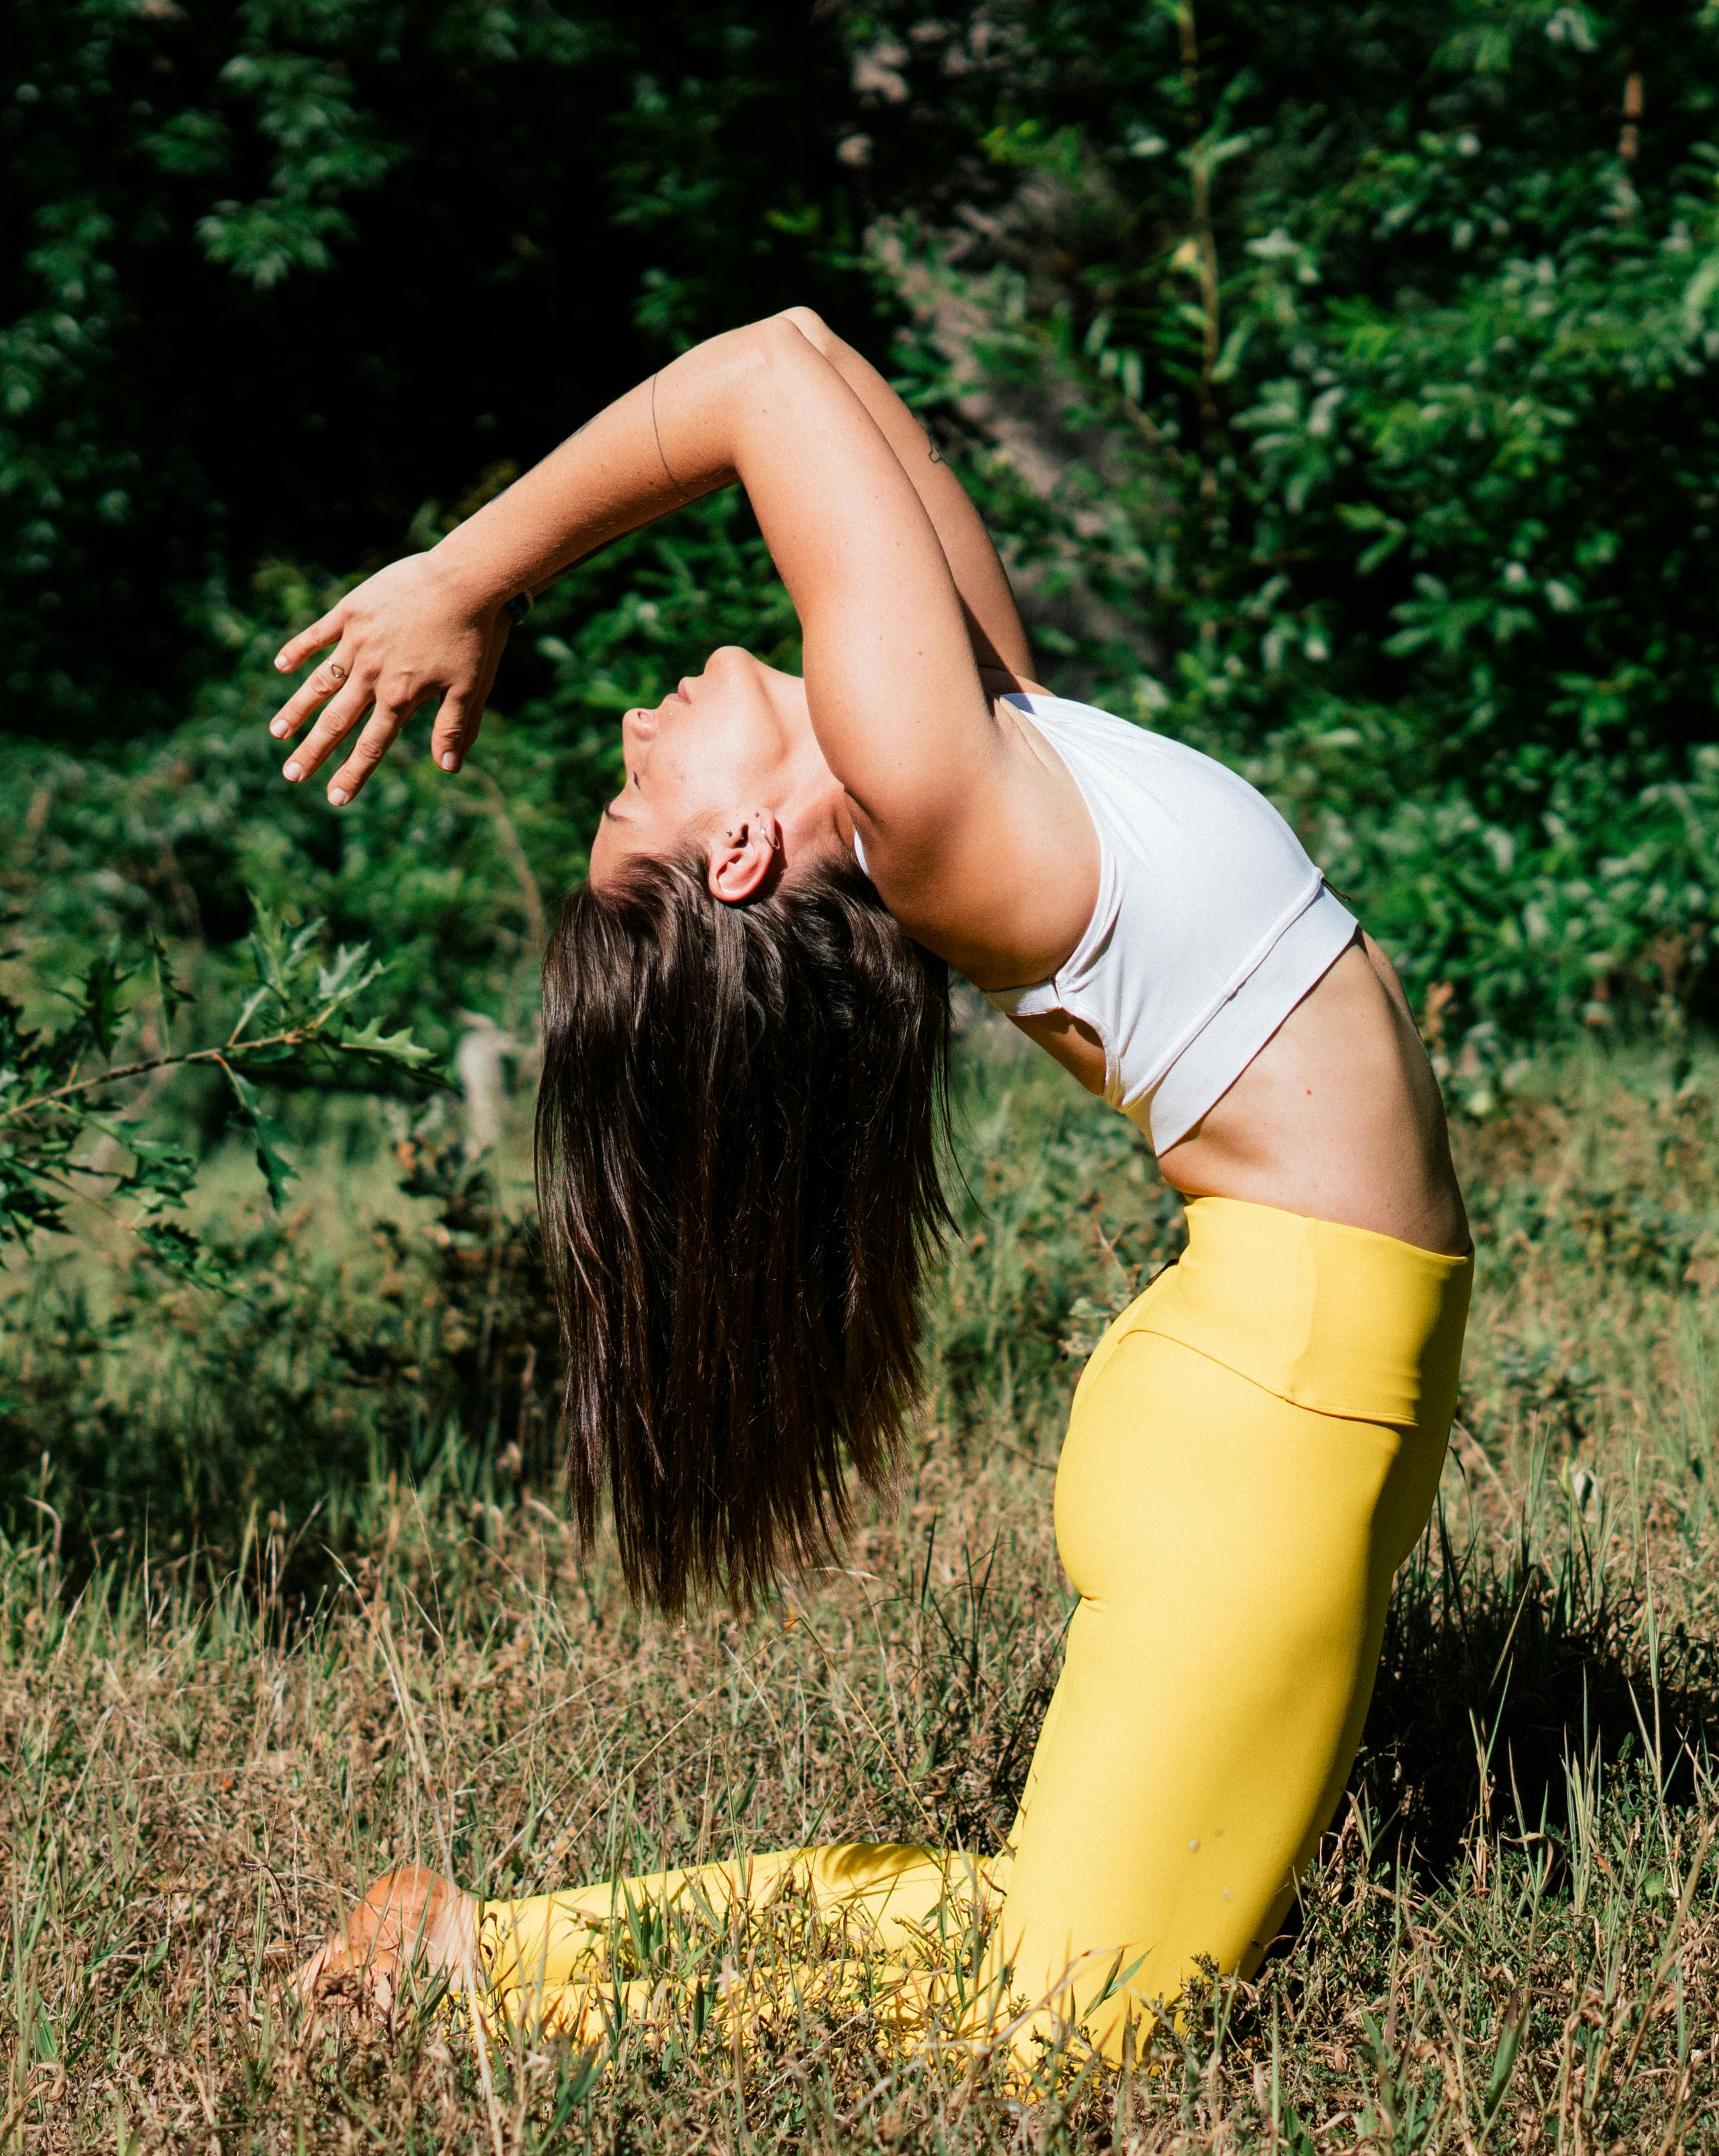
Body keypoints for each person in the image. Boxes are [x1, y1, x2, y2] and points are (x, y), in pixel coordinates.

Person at [279, 309, 1471, 2074]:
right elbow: (760, 398)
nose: (631, 714)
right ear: (742, 855)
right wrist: (461, 574)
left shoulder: (991, 724)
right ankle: (480, 1971)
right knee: (1074, 2037)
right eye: (639, 787)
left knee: (1072, 1955)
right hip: (1274, 1401)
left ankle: (477, 1949)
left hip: (1316, 1378)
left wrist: (477, 577)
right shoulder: (934, 792)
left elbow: (799, 353)